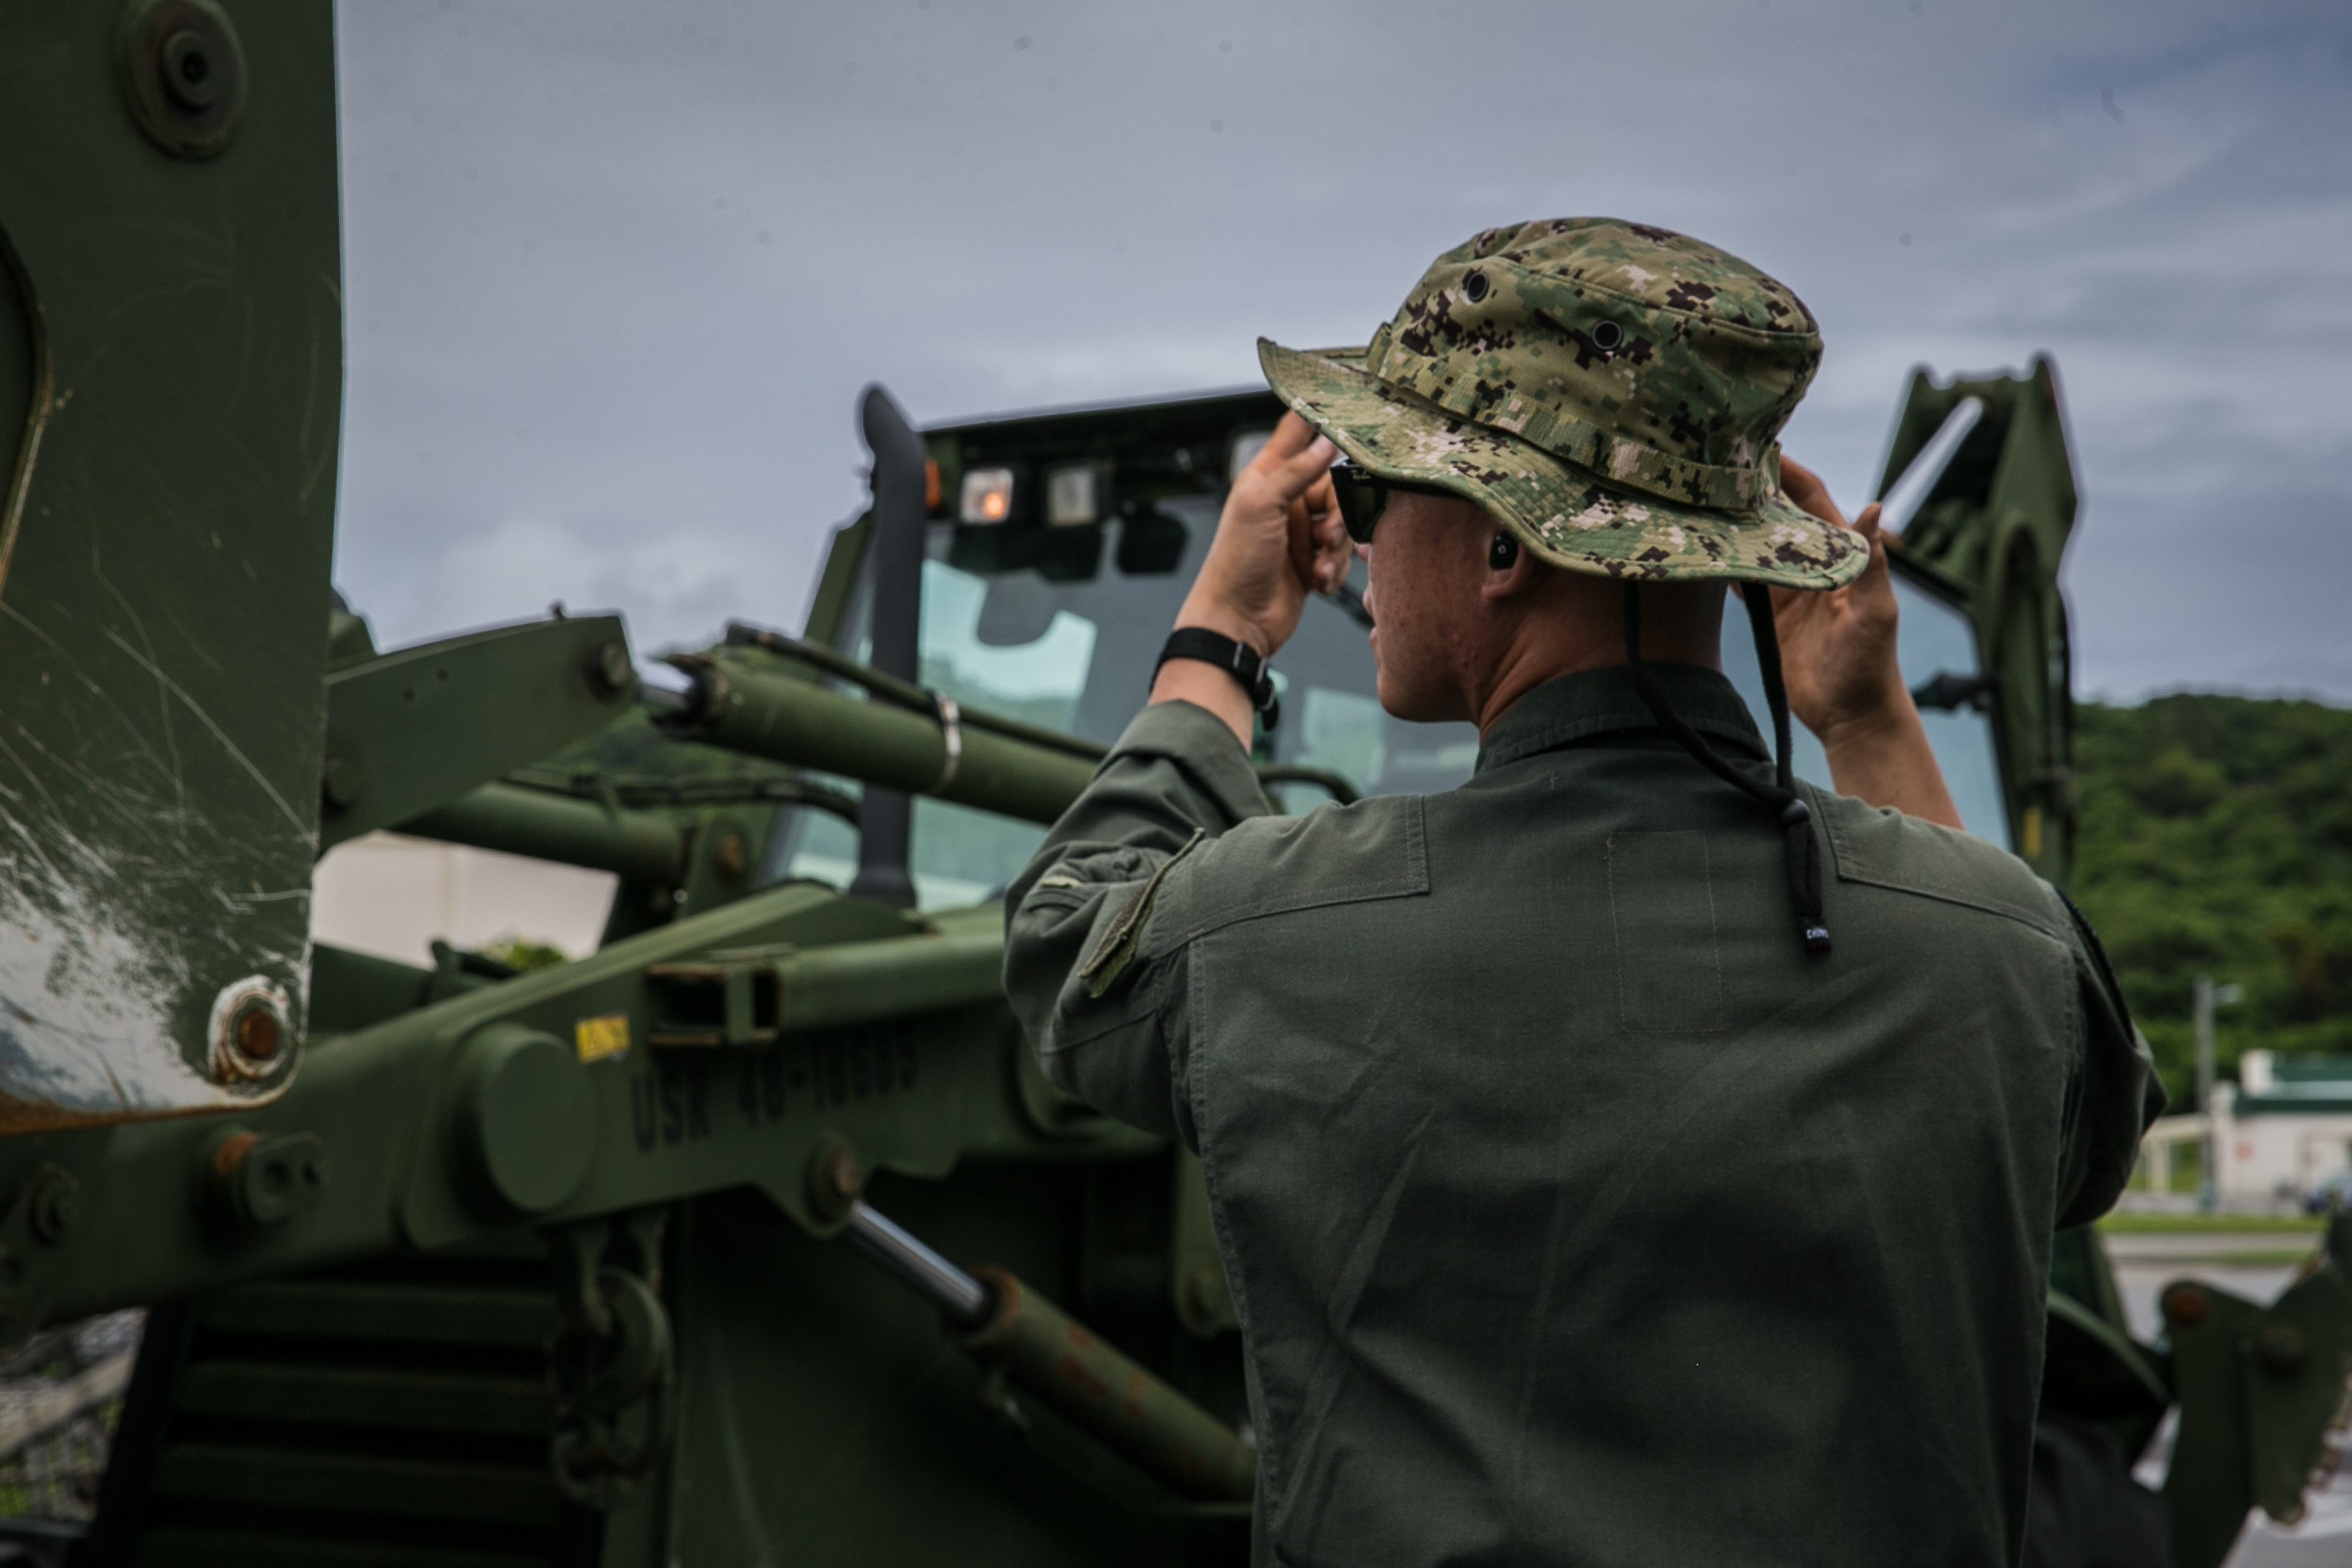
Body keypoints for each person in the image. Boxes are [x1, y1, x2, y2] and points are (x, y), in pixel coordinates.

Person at [1002, 218, 2160, 1566]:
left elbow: (1064, 944)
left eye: (1385, 491)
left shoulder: (1272, 928)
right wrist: (1867, 724)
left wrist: (1221, 634)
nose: (1363, 545)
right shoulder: (2002, 952)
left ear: (1503, 550)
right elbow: (2057, 1126)